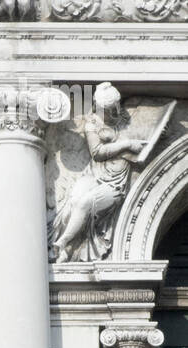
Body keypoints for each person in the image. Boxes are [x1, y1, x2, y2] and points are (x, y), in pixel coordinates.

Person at [52, 83, 145, 263]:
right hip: (96, 175)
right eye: (108, 109)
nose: (113, 112)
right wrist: (126, 144)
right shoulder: (92, 124)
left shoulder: (123, 117)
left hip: (115, 183)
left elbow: (143, 126)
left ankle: (63, 242)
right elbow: (97, 152)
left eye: (114, 107)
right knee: (73, 202)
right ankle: (69, 246)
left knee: (85, 203)